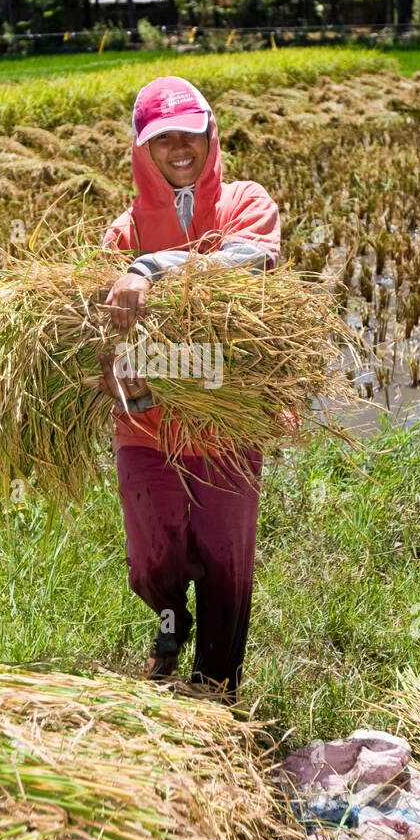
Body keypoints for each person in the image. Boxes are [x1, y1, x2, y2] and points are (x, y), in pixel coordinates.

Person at [99, 76, 280, 700]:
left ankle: (217, 689)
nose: (180, 149)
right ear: (140, 150)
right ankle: (171, 624)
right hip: (147, 429)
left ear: (212, 137)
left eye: (191, 135)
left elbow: (246, 263)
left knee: (227, 564)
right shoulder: (122, 234)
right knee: (153, 558)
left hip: (230, 425)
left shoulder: (245, 204)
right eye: (163, 138)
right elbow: (109, 341)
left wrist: (151, 270)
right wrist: (137, 386)